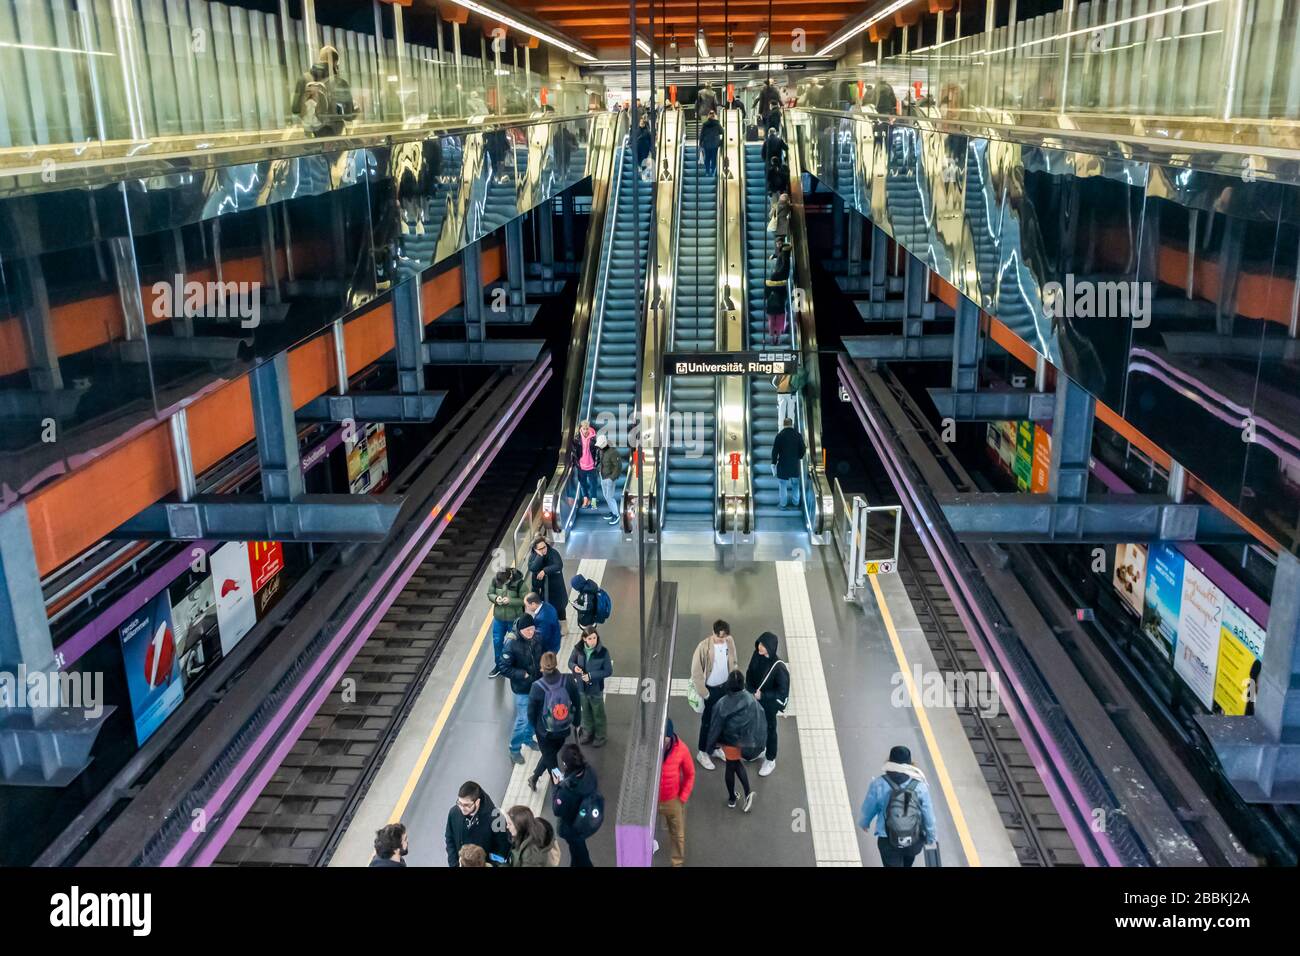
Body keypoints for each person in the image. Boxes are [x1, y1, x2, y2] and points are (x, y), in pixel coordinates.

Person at [859, 745, 938, 867]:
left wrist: (865, 823)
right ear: (910, 764)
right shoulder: (919, 786)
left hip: (887, 838)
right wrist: (931, 837)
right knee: (907, 863)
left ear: (890, 761)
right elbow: (928, 816)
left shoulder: (879, 783)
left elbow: (869, 806)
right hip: (913, 839)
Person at [704, 670, 765, 811]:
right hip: (745, 740)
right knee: (737, 763)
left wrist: (710, 746)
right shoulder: (750, 700)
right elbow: (759, 718)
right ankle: (747, 792)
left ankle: (733, 798)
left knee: (731, 768)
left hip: (730, 742)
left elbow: (715, 726)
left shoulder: (722, 703)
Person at [528, 651, 582, 790]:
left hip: (545, 732)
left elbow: (531, 713)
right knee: (550, 755)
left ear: (542, 667)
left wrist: (536, 728)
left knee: (552, 763)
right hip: (563, 728)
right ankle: (534, 777)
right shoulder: (568, 680)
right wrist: (576, 722)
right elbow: (576, 702)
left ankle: (558, 789)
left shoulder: (536, 687)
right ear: (556, 664)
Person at [690, 620, 738, 769]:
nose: (722, 641)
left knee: (722, 721)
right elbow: (696, 673)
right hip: (711, 690)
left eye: (724, 638)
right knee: (707, 723)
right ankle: (702, 752)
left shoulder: (729, 641)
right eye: (719, 638)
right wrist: (706, 694)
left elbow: (734, 660)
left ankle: (716, 747)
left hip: (725, 688)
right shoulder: (703, 647)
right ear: (713, 633)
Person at [744, 632, 789, 776]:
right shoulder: (756, 655)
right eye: (759, 644)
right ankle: (763, 750)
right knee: (758, 726)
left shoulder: (779, 668)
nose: (760, 647)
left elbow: (782, 693)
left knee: (770, 730)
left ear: (771, 647)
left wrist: (763, 695)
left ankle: (770, 759)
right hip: (756, 700)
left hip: (768, 705)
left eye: (763, 645)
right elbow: (749, 672)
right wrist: (750, 689)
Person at [501, 612, 543, 764]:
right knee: (523, 719)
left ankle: (527, 738)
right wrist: (521, 674)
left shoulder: (537, 638)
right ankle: (514, 749)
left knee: (534, 715)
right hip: (522, 688)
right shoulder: (511, 645)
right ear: (520, 630)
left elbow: (541, 654)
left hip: (537, 685)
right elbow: (503, 668)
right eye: (527, 630)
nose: (531, 633)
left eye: (532, 629)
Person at [290, 45, 356, 137]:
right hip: (333, 139)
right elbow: (349, 115)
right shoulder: (341, 83)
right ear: (335, 62)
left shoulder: (303, 79)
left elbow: (295, 109)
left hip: (311, 135)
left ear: (320, 59)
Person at [553, 743, 600, 866]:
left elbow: (557, 810)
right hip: (587, 819)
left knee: (579, 850)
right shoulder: (590, 772)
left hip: (572, 827)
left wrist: (557, 786)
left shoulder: (566, 790)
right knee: (577, 849)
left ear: (566, 764)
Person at [657, 718, 695, 866]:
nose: (662, 744)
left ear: (671, 736)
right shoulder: (650, 748)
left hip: (673, 800)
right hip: (651, 801)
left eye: (664, 740)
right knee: (647, 830)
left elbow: (690, 774)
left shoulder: (682, 749)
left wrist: (682, 798)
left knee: (677, 834)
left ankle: (677, 863)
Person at [445, 781, 509, 867]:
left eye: (466, 805)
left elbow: (503, 848)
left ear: (477, 802)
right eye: (459, 803)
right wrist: (454, 864)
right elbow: (449, 838)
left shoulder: (497, 818)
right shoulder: (454, 812)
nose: (462, 808)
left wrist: (490, 865)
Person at [569, 627, 612, 747]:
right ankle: (588, 732)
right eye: (590, 638)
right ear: (584, 639)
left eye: (595, 638)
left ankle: (601, 736)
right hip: (582, 688)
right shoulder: (578, 649)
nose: (593, 641)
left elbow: (608, 671)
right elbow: (570, 662)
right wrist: (574, 667)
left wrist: (591, 676)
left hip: (596, 689)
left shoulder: (603, 652)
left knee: (598, 713)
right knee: (586, 712)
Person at [486, 566, 527, 678]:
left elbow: (525, 600)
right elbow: (489, 593)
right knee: (497, 641)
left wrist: (511, 601)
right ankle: (499, 666)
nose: (503, 584)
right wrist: (495, 599)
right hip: (499, 618)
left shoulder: (520, 583)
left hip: (514, 619)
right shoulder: (496, 579)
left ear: (510, 577)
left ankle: (517, 665)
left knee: (515, 643)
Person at [528, 537, 567, 622]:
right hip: (542, 590)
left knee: (560, 610)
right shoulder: (533, 557)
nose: (544, 549)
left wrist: (544, 571)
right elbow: (532, 568)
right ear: (535, 550)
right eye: (540, 549)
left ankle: (563, 628)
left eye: (544, 547)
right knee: (546, 612)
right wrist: (540, 556)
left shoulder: (553, 553)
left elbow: (558, 565)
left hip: (556, 589)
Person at [772, 418, 806, 510]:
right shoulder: (798, 435)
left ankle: (783, 504)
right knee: (795, 484)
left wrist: (773, 463)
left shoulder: (780, 435)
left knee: (782, 485)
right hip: (794, 465)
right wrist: (799, 457)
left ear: (784, 424)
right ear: (792, 424)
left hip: (783, 465)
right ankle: (796, 502)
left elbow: (775, 451)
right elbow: (803, 449)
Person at [571, 421, 601, 511]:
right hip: (581, 466)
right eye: (584, 429)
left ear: (589, 428)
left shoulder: (594, 438)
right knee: (583, 484)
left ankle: (594, 501)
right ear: (581, 428)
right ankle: (586, 499)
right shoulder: (577, 439)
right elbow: (574, 452)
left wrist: (597, 463)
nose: (585, 431)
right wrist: (576, 463)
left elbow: (598, 452)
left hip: (592, 466)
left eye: (587, 428)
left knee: (593, 485)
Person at [765, 242, 791, 344]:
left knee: (772, 321)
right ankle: (778, 338)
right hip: (779, 306)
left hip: (772, 306)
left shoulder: (776, 276)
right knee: (779, 321)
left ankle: (774, 338)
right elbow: (784, 293)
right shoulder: (777, 278)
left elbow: (766, 293)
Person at [524, 592, 562, 656]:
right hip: (555, 641)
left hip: (549, 649)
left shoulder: (542, 619)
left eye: (527, 606)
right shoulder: (547, 605)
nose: (527, 608)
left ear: (533, 604)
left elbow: (542, 638)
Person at [597, 434, 623, 525]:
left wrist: (612, 478)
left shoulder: (613, 452)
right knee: (606, 496)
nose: (599, 446)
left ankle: (616, 514)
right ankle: (613, 511)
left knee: (609, 497)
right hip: (603, 476)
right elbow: (602, 462)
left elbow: (618, 466)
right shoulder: (602, 451)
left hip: (609, 478)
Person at [699, 109, 723, 177]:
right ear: (714, 116)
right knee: (714, 158)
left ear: (708, 116)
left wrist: (700, 143)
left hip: (706, 144)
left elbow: (702, 134)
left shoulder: (705, 124)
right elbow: (722, 131)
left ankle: (707, 171)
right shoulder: (717, 124)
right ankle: (712, 170)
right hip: (715, 144)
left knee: (707, 158)